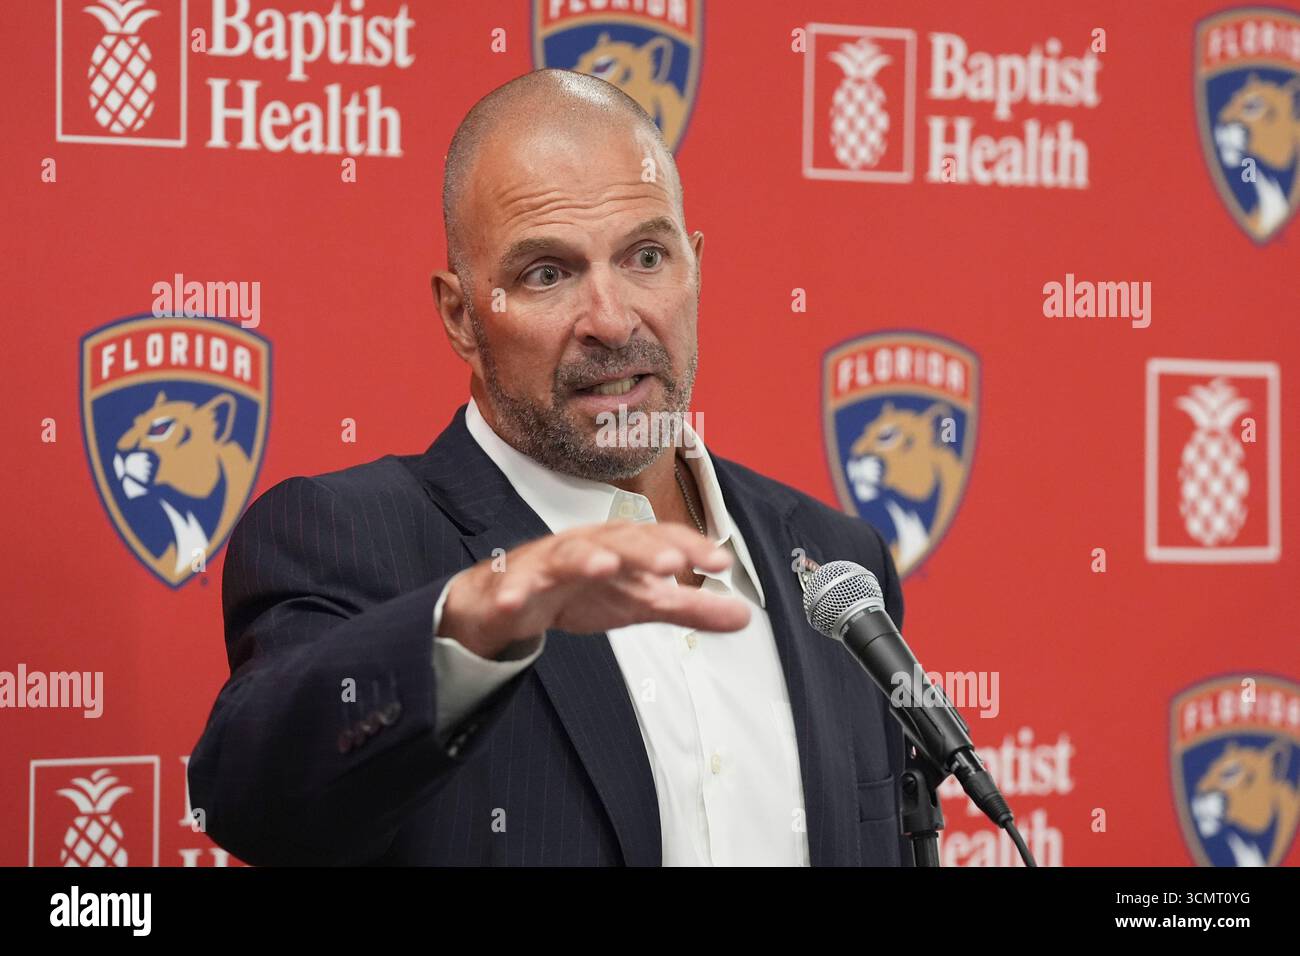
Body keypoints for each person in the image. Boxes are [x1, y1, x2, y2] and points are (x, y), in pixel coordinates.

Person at [189, 69, 909, 866]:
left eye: (644, 256)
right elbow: (252, 794)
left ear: (693, 267)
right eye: (548, 274)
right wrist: (477, 621)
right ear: (463, 316)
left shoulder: (838, 558)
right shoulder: (346, 537)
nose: (610, 319)